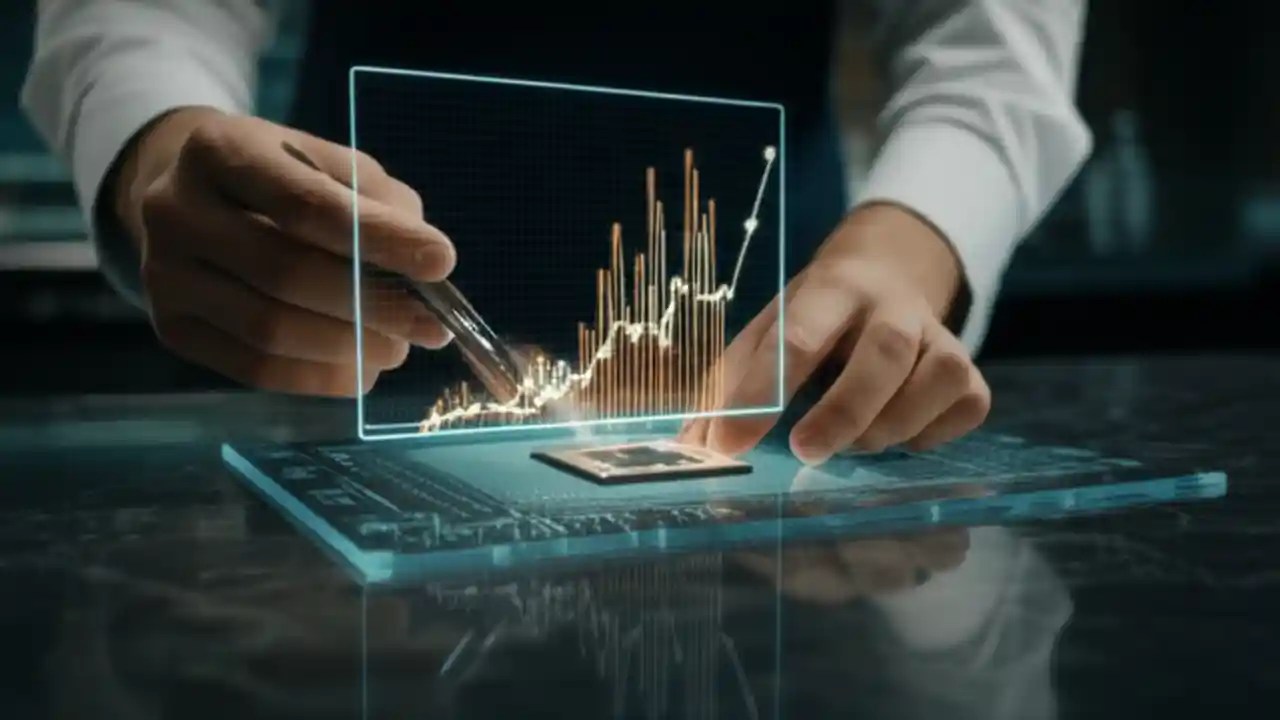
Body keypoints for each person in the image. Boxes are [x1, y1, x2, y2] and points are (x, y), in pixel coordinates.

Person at [22, 1, 1092, 463]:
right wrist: (158, 151)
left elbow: (987, 50)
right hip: (319, 337)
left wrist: (902, 252)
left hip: (773, 369)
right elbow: (144, 17)